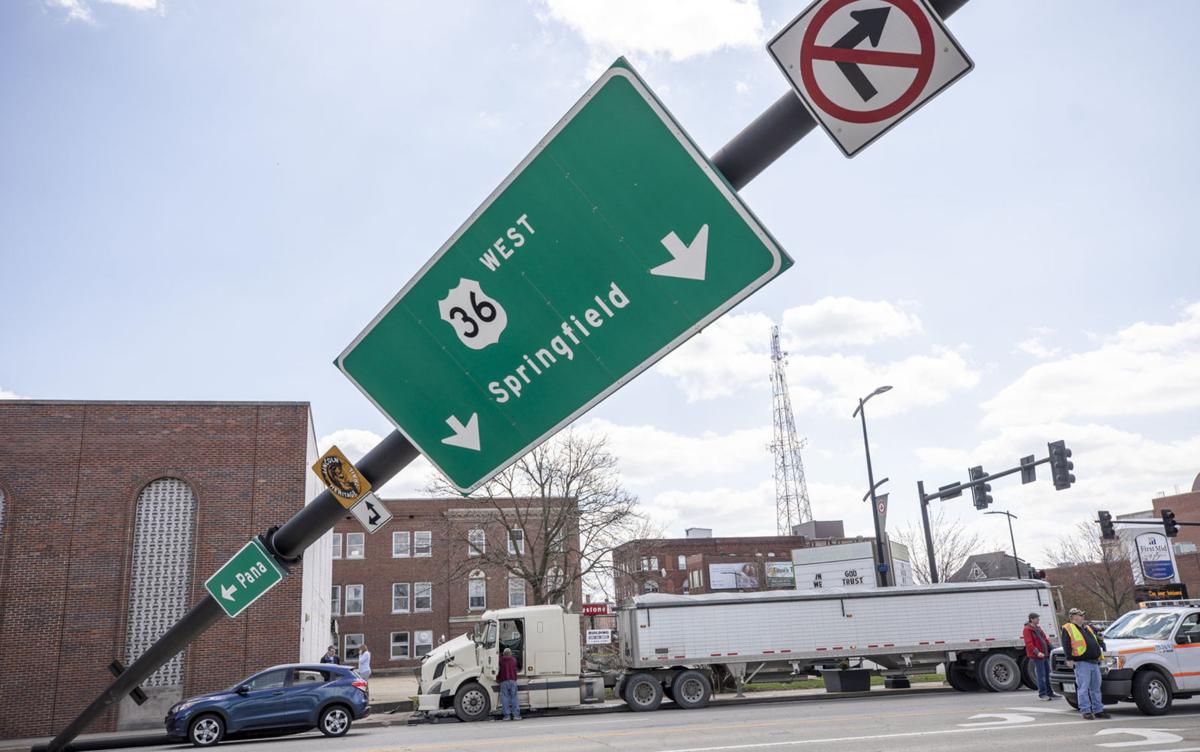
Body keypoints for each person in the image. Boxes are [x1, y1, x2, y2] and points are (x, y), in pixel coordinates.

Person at [1061, 607, 1109, 719]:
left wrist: (1101, 643)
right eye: (1080, 615)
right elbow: (1066, 644)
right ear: (1074, 617)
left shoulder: (1087, 628)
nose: (1083, 617)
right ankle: (1086, 711)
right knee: (1083, 688)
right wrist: (1069, 658)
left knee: (1096, 688)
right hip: (1082, 663)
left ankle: (1098, 710)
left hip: (1094, 662)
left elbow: (1097, 640)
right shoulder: (1068, 628)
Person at [1023, 613, 1057, 701]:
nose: (1038, 620)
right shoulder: (1027, 629)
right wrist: (1037, 653)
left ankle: (1050, 693)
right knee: (1041, 675)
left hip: (1044, 654)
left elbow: (1045, 640)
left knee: (1047, 674)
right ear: (1031, 619)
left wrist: (1052, 649)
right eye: (1037, 618)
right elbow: (1029, 644)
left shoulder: (1038, 628)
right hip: (1038, 656)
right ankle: (1042, 694)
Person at [498, 647, 520, 720]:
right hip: (513, 680)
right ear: (510, 653)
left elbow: (499, 669)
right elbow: (515, 669)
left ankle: (507, 716)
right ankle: (516, 715)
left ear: (504, 653)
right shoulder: (514, 660)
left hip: (504, 680)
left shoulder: (501, 660)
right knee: (514, 697)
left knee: (505, 698)